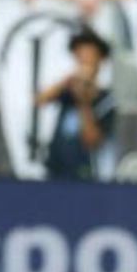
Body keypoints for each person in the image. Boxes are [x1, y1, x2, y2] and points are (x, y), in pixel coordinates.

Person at [38, 28, 116, 182]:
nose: (83, 61)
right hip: (55, 171)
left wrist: (83, 103)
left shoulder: (106, 100)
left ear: (100, 60)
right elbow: (40, 100)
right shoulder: (67, 92)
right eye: (79, 56)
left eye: (89, 57)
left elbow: (92, 141)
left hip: (86, 175)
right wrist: (68, 81)